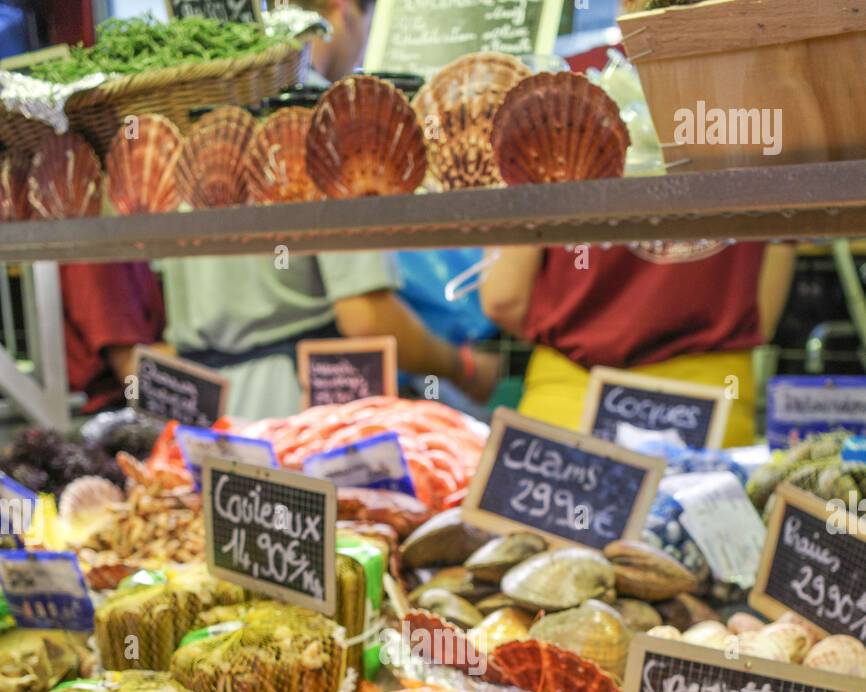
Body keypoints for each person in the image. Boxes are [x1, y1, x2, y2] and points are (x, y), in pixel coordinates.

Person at [159, 0, 498, 419]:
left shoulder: (183, 120)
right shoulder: (332, 118)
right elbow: (367, 318)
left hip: (194, 403)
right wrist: (464, 368)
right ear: (344, 10)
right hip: (298, 405)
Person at [480, 240, 796, 447]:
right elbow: (763, 312)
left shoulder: (542, 138)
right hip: (707, 419)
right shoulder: (752, 136)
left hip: (567, 420)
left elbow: (503, 298)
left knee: (551, 551)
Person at [60, 261, 165, 413]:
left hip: (125, 400)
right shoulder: (99, 262)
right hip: (109, 408)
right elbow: (128, 366)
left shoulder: (129, 254)